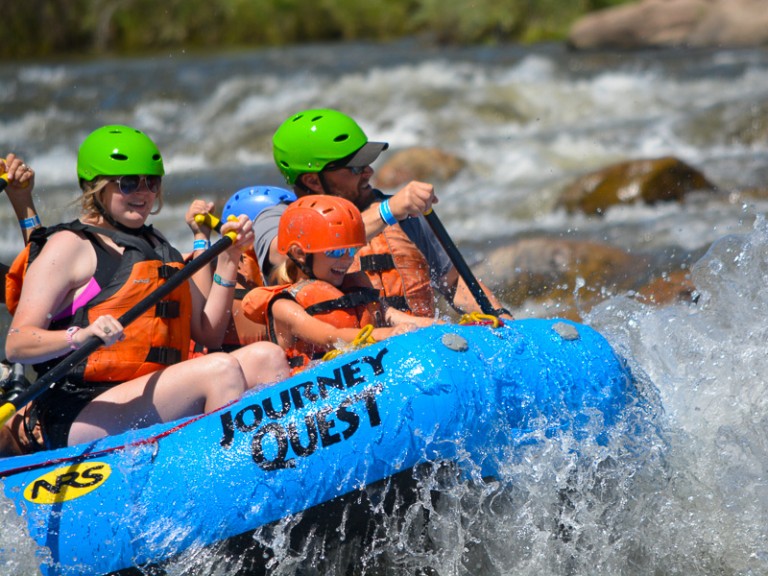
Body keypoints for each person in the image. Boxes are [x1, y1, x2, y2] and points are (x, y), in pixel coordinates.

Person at [4, 124, 289, 450]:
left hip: (149, 392)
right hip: (80, 408)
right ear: (96, 188)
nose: (143, 193)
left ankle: (278, 461)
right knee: (220, 370)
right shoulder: (69, 246)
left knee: (268, 357)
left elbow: (207, 333)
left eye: (151, 182)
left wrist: (229, 259)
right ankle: (225, 469)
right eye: (128, 183)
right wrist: (80, 336)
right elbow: (17, 344)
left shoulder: (157, 245)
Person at [253, 108, 511, 320]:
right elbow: (284, 253)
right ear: (313, 181)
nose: (369, 172)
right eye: (355, 168)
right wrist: (388, 212)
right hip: (343, 353)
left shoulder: (404, 213)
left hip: (419, 342)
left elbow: (453, 283)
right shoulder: (274, 219)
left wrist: (498, 315)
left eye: (367, 163)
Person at [243, 195, 431, 369]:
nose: (347, 259)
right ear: (299, 253)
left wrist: (437, 326)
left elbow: (392, 316)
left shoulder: (355, 288)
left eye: (352, 250)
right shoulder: (284, 306)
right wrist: (388, 334)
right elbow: (330, 337)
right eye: (336, 251)